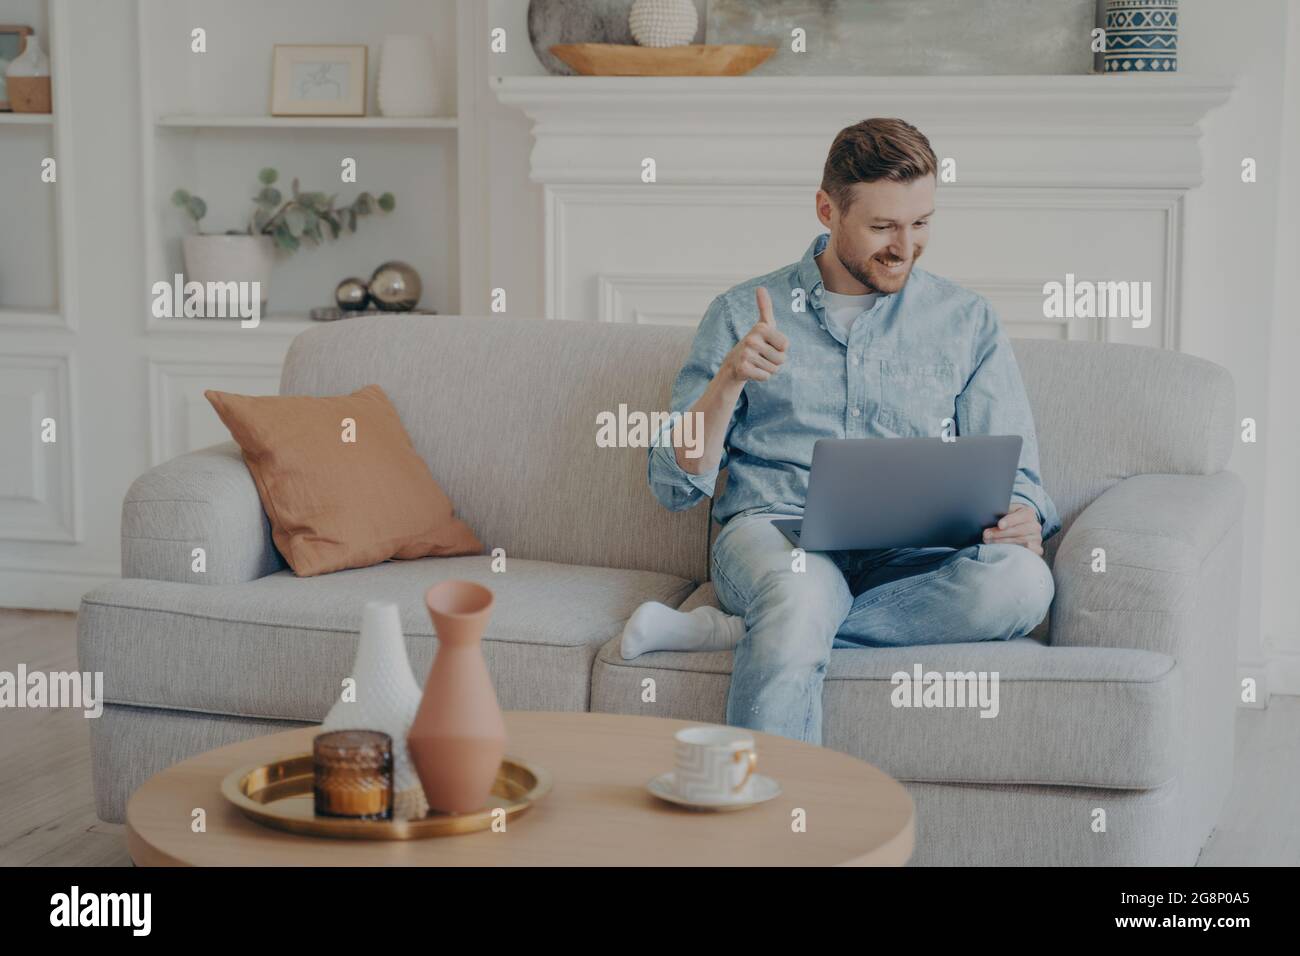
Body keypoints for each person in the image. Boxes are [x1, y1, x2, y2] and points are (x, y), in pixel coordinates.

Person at [628, 117, 1061, 745]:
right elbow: (672, 486)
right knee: (800, 594)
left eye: (921, 224)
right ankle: (775, 832)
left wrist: (1022, 512)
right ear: (827, 210)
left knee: (1024, 585)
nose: (905, 247)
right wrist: (727, 381)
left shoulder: (966, 320)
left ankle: (755, 629)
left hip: (916, 556)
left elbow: (1017, 474)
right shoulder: (739, 312)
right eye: (883, 227)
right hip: (779, 535)